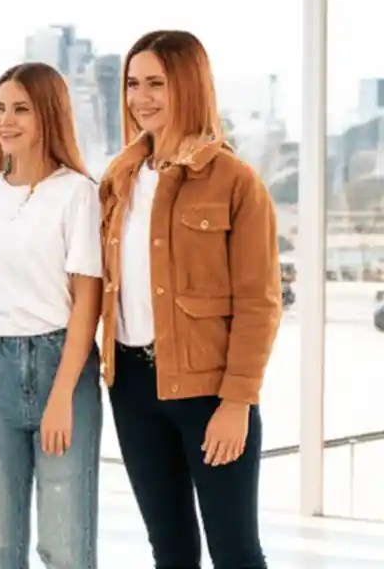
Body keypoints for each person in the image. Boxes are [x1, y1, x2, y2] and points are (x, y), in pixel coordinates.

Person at [99, 30, 281, 569]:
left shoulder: (236, 181)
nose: (141, 97)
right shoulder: (119, 179)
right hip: (131, 387)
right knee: (170, 550)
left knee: (235, 553)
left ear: (190, 86)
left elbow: (259, 302)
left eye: (157, 83)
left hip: (209, 392)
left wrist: (237, 403)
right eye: (133, 84)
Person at [0, 62, 103, 569]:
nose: (4, 121)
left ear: (48, 115)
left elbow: (87, 301)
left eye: (19, 109)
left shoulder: (77, 192)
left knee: (66, 550)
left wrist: (62, 396)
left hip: (62, 364)